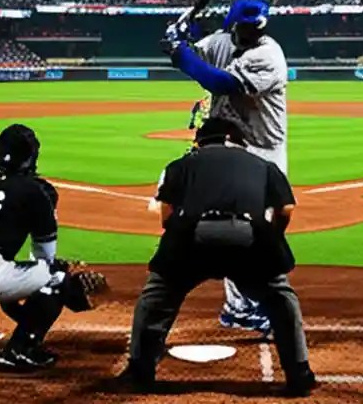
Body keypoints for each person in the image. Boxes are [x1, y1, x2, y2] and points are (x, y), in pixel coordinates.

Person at [118, 118, 316, 397]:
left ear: (201, 142)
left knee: (155, 297)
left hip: (194, 237)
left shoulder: (181, 165)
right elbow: (286, 209)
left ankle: (140, 371)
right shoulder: (263, 166)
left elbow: (166, 217)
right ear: (237, 141)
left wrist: (179, 248)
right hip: (248, 238)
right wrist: (271, 238)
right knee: (281, 299)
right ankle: (300, 373)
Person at [0, 124, 106, 373]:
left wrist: (9, 300)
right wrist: (65, 278)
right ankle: (20, 350)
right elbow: (44, 258)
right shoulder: (36, 191)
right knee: (56, 277)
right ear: (31, 156)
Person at [163, 0, 288, 334]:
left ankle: (246, 302)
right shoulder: (219, 42)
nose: (251, 33)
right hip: (229, 149)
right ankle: (241, 307)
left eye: (256, 28)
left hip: (263, 151)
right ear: (234, 25)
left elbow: (220, 83)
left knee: (260, 231)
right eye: (245, 28)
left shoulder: (269, 55)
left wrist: (179, 53)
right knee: (234, 226)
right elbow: (196, 52)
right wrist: (181, 36)